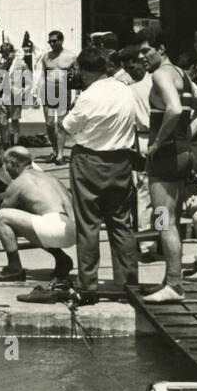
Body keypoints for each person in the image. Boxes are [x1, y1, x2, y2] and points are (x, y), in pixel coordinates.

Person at [60, 46, 140, 306]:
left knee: (88, 224)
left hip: (89, 161)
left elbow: (68, 126)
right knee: (121, 223)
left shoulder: (87, 97)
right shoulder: (125, 90)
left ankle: (89, 285)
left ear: (84, 71)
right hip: (121, 161)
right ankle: (129, 283)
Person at [138, 32, 197, 303]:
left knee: (163, 221)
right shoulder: (182, 73)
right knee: (173, 221)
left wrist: (157, 144)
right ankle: (171, 278)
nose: (142, 57)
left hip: (166, 155)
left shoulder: (160, 75)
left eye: (146, 51)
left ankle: (175, 285)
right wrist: (185, 136)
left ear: (161, 49)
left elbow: (175, 109)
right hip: (184, 153)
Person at [0, 146, 77, 302]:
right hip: (73, 231)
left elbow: (0, 217)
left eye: (7, 166)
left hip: (54, 230)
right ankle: (62, 260)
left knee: (1, 217)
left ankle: (14, 269)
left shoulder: (19, 183)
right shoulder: (51, 178)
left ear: (14, 163)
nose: (6, 171)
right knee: (34, 221)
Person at [114, 43, 154, 235]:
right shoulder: (157, 81)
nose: (130, 73)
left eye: (132, 67)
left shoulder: (134, 89)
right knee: (154, 194)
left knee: (146, 193)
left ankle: (148, 240)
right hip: (144, 139)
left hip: (146, 141)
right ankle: (157, 237)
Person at [34, 29, 76, 162]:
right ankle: (54, 150)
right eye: (50, 41)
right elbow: (41, 75)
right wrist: (36, 93)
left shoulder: (71, 56)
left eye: (54, 41)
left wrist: (78, 95)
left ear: (61, 40)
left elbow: (78, 77)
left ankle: (60, 154)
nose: (52, 43)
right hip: (48, 90)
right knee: (50, 124)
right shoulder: (46, 57)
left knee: (61, 123)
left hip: (63, 91)